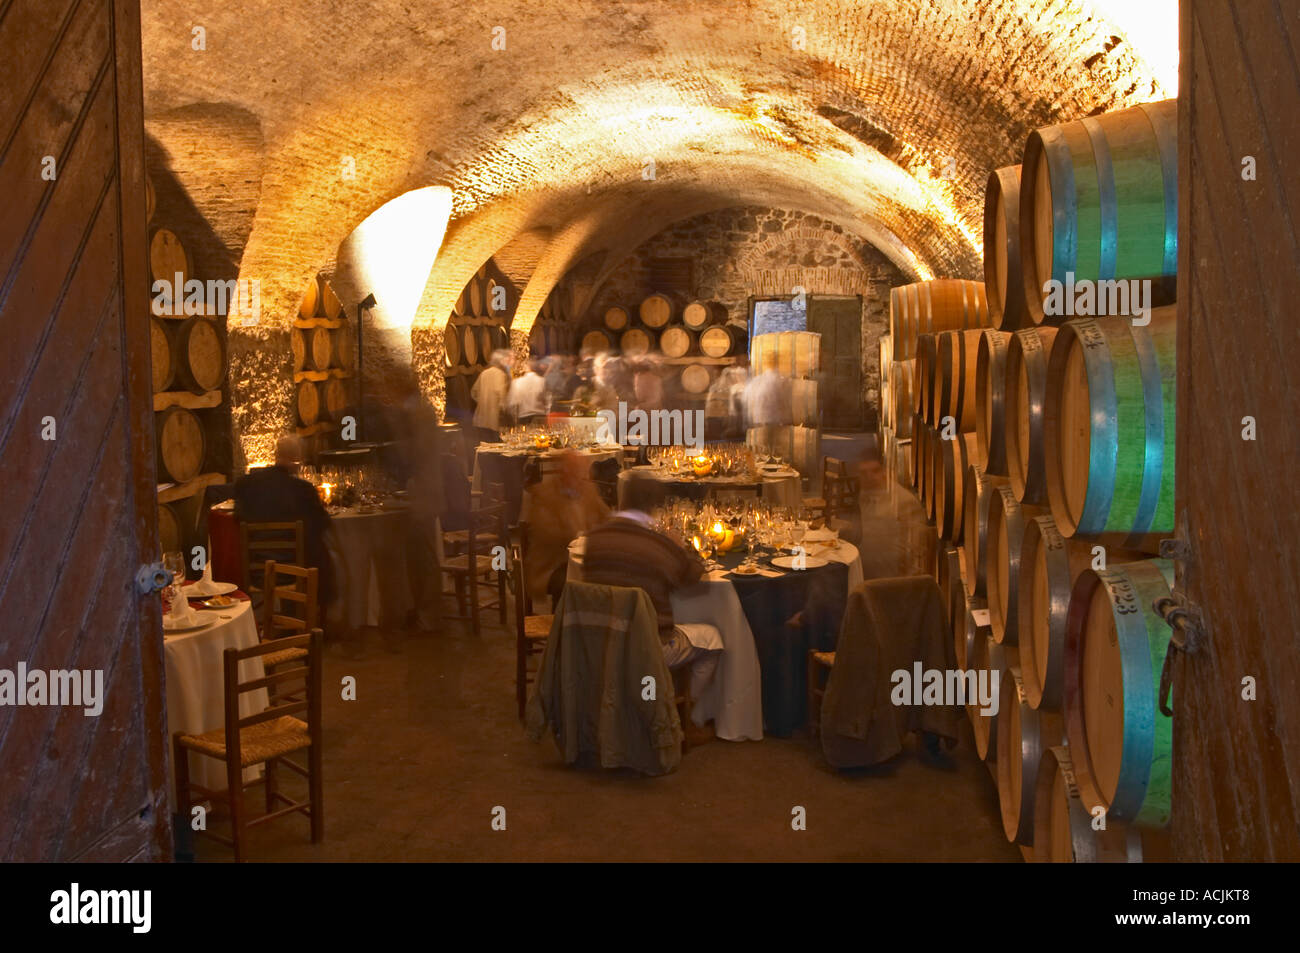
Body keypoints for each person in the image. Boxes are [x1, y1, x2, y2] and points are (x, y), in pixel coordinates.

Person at [581, 508, 721, 677]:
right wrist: (678, 548)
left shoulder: (595, 538)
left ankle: (637, 692)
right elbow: (693, 576)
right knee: (713, 638)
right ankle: (670, 700)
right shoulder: (656, 545)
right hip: (645, 649)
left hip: (596, 641)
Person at [233, 435, 334, 611]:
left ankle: (281, 617)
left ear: (276, 455)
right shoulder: (303, 490)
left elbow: (237, 518)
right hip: (295, 571)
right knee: (323, 552)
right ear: (297, 461)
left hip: (257, 571)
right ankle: (319, 620)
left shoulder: (245, 484)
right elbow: (323, 524)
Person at [519, 451, 610, 611]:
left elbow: (606, 515)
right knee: (568, 584)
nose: (578, 475)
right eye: (573, 469)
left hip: (585, 558)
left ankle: (591, 623)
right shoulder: (544, 494)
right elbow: (546, 533)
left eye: (581, 470)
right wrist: (581, 536)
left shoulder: (588, 489)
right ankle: (561, 627)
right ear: (562, 470)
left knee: (610, 576)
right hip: (552, 563)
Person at [470, 349, 513, 439]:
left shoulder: (484, 373)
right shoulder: (501, 374)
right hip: (494, 419)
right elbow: (501, 395)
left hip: (481, 418)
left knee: (484, 445)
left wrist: (482, 402)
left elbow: (474, 392)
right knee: (495, 447)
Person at [507, 358, 548, 428]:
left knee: (525, 438)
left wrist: (515, 417)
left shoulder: (517, 382)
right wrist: (546, 413)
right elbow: (547, 400)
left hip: (523, 417)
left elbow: (512, 404)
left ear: (525, 367)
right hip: (540, 417)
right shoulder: (542, 381)